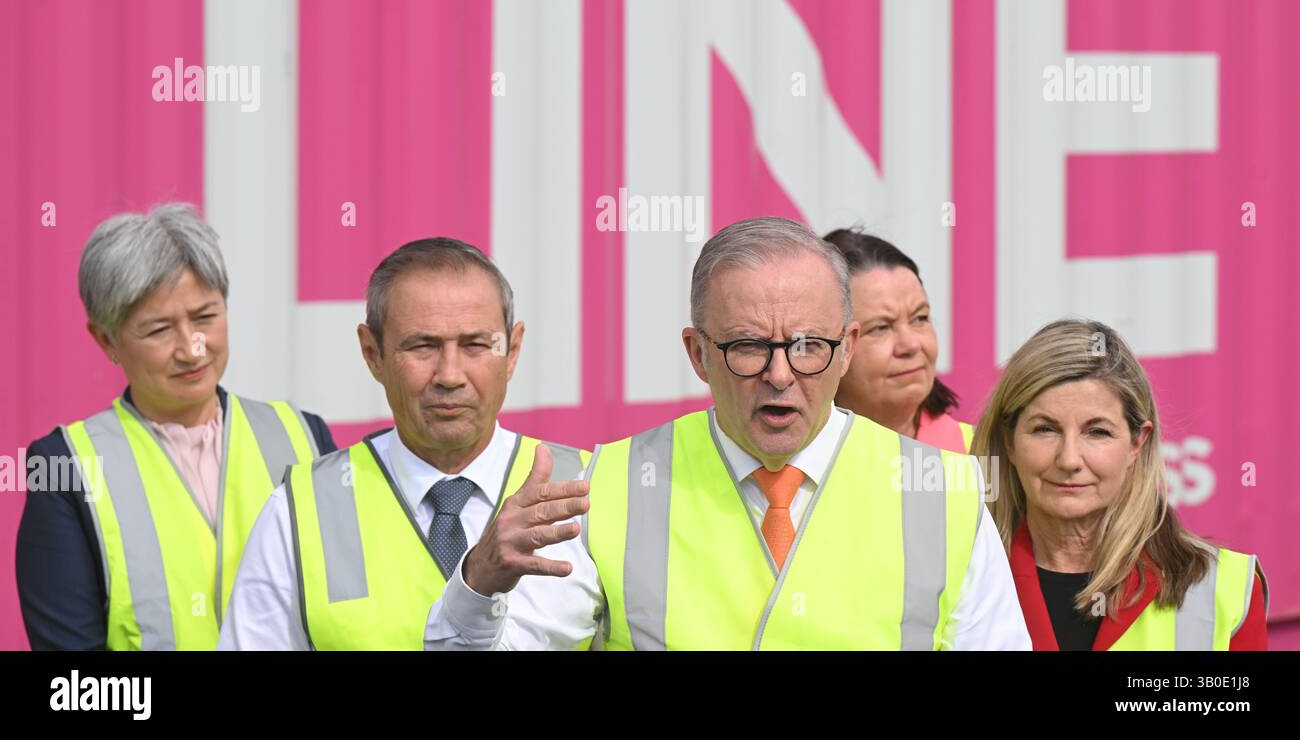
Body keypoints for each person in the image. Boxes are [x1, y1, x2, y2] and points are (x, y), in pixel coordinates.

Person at [426, 216, 1030, 649]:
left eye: (807, 347)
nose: (779, 375)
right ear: (697, 353)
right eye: (746, 347)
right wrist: (479, 582)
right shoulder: (609, 485)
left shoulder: (942, 490)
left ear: (845, 349)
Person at [218, 237, 589, 650]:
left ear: (513, 350)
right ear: (372, 353)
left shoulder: (591, 490)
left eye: (475, 345)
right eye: (423, 346)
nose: (450, 375)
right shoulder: (300, 511)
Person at [16, 203, 332, 650]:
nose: (191, 349)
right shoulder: (63, 467)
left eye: (206, 317)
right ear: (106, 339)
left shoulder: (304, 436)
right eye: (159, 330)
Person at [970, 318, 1267, 650]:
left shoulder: (1219, 589)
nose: (1069, 460)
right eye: (1045, 429)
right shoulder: (962, 576)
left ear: (1137, 443)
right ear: (1008, 440)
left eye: (1097, 432)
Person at [824, 228, 972, 452]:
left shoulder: (980, 455)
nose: (911, 345)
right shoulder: (793, 464)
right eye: (881, 328)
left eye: (920, 318)